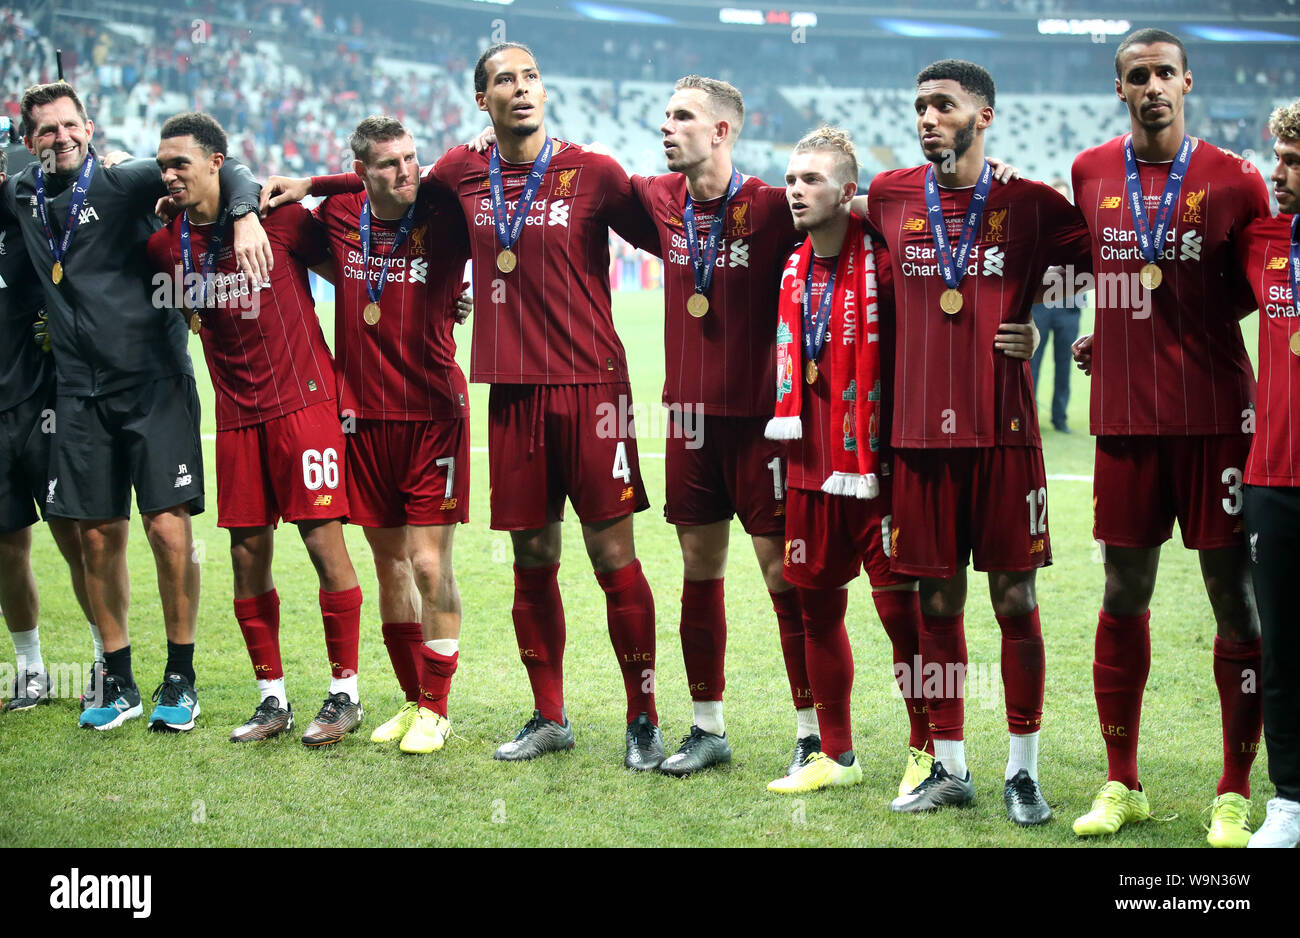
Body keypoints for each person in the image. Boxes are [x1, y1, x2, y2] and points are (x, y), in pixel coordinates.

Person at [267, 43, 664, 767]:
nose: (521, 89)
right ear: (483, 101)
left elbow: (669, 232)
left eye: (532, 76)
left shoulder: (595, 172)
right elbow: (390, 181)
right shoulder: (459, 171)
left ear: (544, 90)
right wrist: (311, 184)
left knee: (613, 556)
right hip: (510, 391)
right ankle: (550, 716)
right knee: (531, 558)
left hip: (593, 388)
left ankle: (644, 718)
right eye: (504, 80)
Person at [767, 127, 1041, 795]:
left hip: (884, 471)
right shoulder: (792, 264)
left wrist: (1025, 327)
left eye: (810, 181)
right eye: (790, 179)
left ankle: (930, 749)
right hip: (808, 464)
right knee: (815, 609)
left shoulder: (893, 266)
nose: (795, 191)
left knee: (904, 615)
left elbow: (963, 305)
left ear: (850, 193)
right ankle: (835, 753)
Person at [3, 82, 270, 732]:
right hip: (77, 396)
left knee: (166, 529)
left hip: (154, 385)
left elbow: (221, 163)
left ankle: (181, 675)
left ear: (88, 128)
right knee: (97, 537)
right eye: (46, 130)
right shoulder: (20, 197)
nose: (60, 138)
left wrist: (243, 212)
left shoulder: (123, 182)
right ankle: (117, 680)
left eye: (70, 125)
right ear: (28, 139)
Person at [866, 59, 1092, 825]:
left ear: (984, 115)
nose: (927, 117)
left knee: (1014, 598)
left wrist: (1044, 312)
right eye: (920, 105)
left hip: (1005, 435)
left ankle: (1022, 772)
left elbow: (1103, 257)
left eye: (944, 105)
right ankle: (951, 766)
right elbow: (834, 232)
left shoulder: (1028, 203)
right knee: (936, 599)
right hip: (918, 438)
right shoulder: (892, 195)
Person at [1069, 29, 1268, 846]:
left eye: (1164, 74)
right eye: (1136, 76)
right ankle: (1122, 783)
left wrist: (1175, 332)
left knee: (1234, 598)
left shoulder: (1235, 178)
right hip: (1123, 422)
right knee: (1123, 595)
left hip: (1217, 421)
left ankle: (1232, 788)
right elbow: (1098, 269)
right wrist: (1111, 337)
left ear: (1187, 82)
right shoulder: (1088, 172)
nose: (1153, 86)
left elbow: (1256, 286)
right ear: (1120, 89)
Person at [145, 112, 366, 746]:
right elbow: (180, 309)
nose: (169, 174)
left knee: (324, 543)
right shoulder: (166, 245)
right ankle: (272, 700)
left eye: (180, 162)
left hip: (305, 404)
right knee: (246, 554)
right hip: (237, 417)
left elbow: (348, 272)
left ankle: (344, 692)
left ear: (218, 162)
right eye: (163, 165)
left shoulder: (282, 220)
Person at [310, 116, 473, 755]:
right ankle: (412, 701)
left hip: (434, 414)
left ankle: (437, 705)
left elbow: (472, 174)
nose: (405, 171)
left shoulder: (440, 206)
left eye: (410, 158)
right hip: (364, 420)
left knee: (430, 563)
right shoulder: (339, 214)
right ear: (362, 173)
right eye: (388, 164)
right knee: (390, 565)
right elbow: (267, 206)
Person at [0, 145, 98, 714]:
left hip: (41, 406)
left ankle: (105, 659)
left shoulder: (22, 210)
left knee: (76, 540)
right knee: (7, 549)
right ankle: (31, 669)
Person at [1231, 100, 1300, 848]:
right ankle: (1290, 799)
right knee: (1282, 645)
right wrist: (1108, 344)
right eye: (1277, 156)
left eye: (1292, 161)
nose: (1275, 174)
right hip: (1276, 478)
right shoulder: (1262, 240)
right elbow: (1188, 305)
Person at [1028, 179, 1083, 434]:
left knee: (1065, 363)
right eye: (1055, 196)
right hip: (1040, 305)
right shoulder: (1034, 227)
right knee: (1033, 362)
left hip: (1069, 307)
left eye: (1063, 197)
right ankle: (1030, 418)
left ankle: (1060, 418)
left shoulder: (1076, 228)